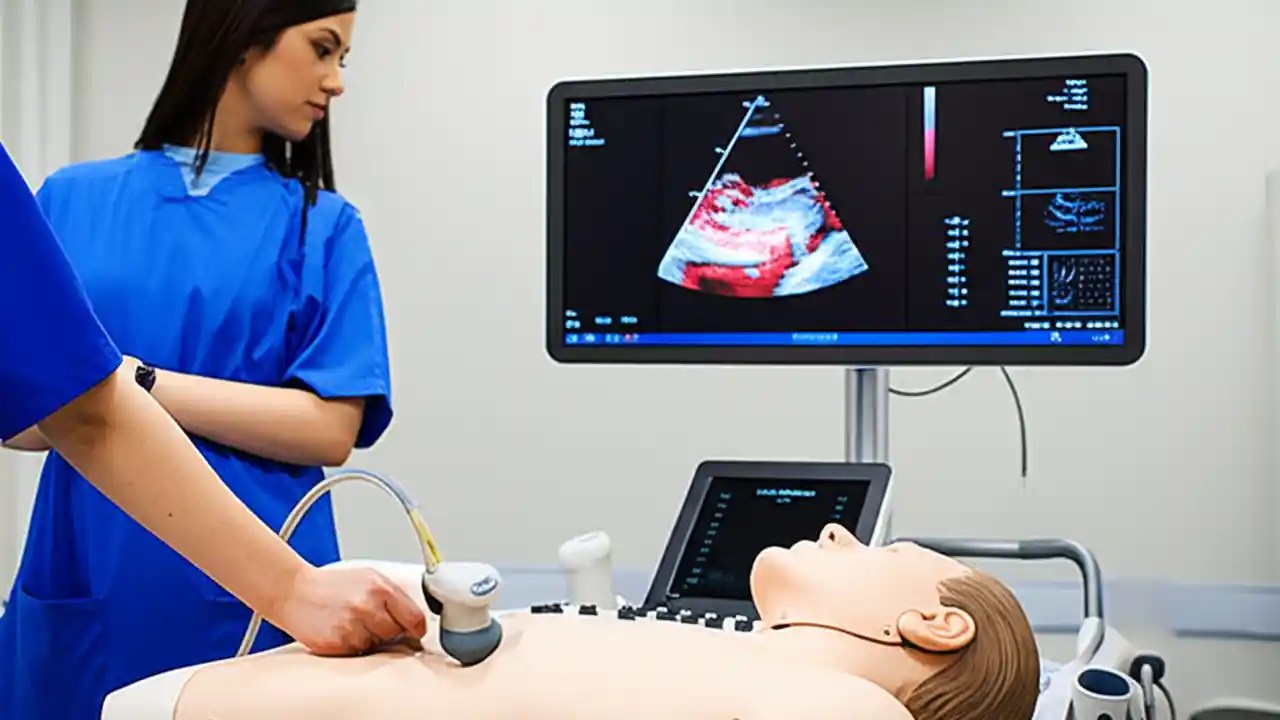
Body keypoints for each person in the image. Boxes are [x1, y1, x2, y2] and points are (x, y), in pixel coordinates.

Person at [0, 0, 406, 717]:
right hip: (88, 575)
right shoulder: (68, 199)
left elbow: (329, 428)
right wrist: (93, 394)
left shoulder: (322, 226)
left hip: (263, 583)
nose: (336, 81)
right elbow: (30, 416)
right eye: (322, 48)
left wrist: (132, 382)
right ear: (244, 37)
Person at [105, 524, 1042, 720]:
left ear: (934, 625)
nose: (840, 531)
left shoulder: (847, 705)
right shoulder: (731, 659)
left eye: (887, 548)